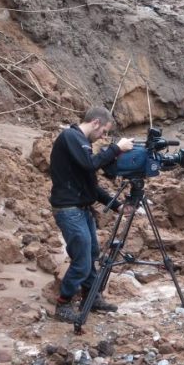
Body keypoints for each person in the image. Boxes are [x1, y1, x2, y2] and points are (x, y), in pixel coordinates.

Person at [48, 106, 133, 322]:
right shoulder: (71, 137)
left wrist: (116, 205)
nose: (103, 136)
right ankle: (63, 304)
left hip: (81, 209)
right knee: (82, 260)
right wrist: (116, 148)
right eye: (104, 131)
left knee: (92, 253)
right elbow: (90, 165)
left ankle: (91, 297)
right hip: (69, 209)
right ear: (95, 123)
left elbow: (90, 186)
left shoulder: (81, 144)